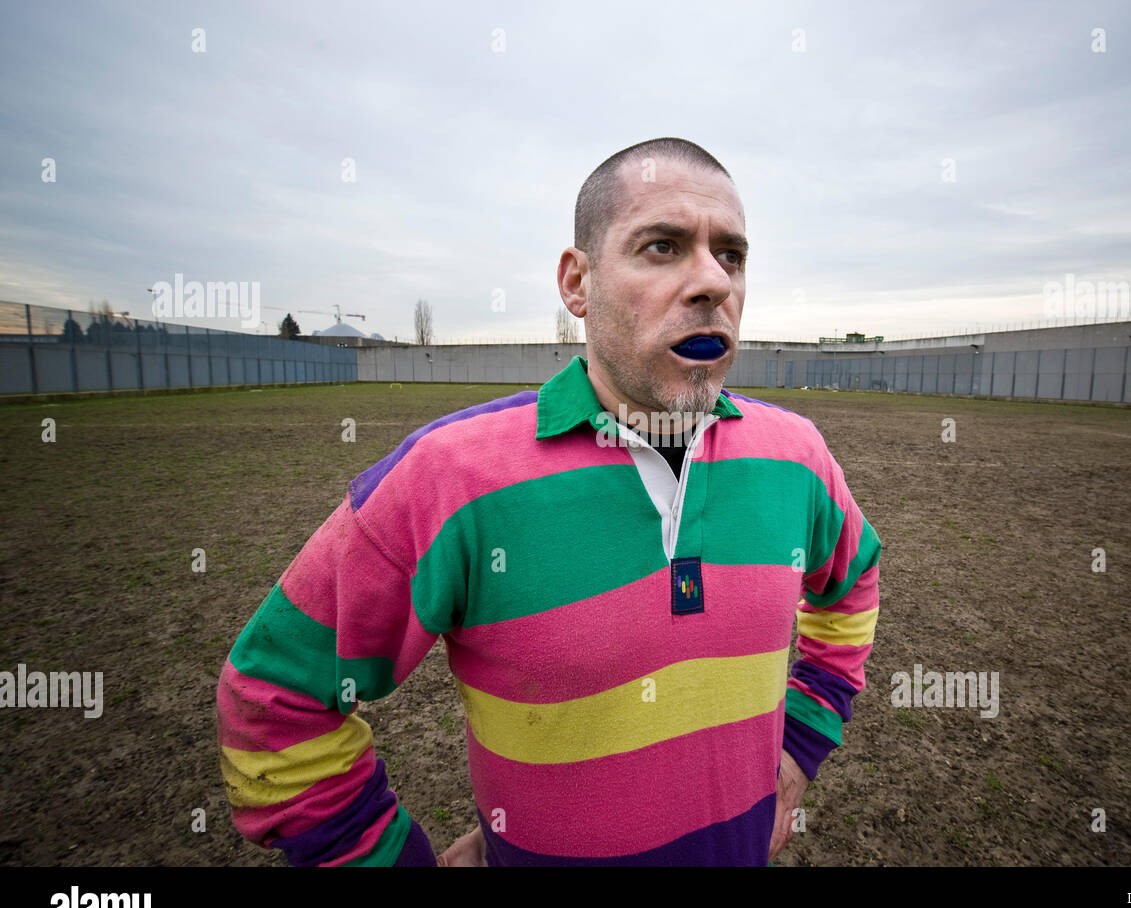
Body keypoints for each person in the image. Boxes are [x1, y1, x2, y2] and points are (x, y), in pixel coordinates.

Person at [217, 137, 881, 866]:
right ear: (577, 283)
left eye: (731, 255)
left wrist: (800, 746)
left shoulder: (798, 456)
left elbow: (851, 583)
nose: (712, 283)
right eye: (662, 247)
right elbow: (273, 699)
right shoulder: (449, 476)